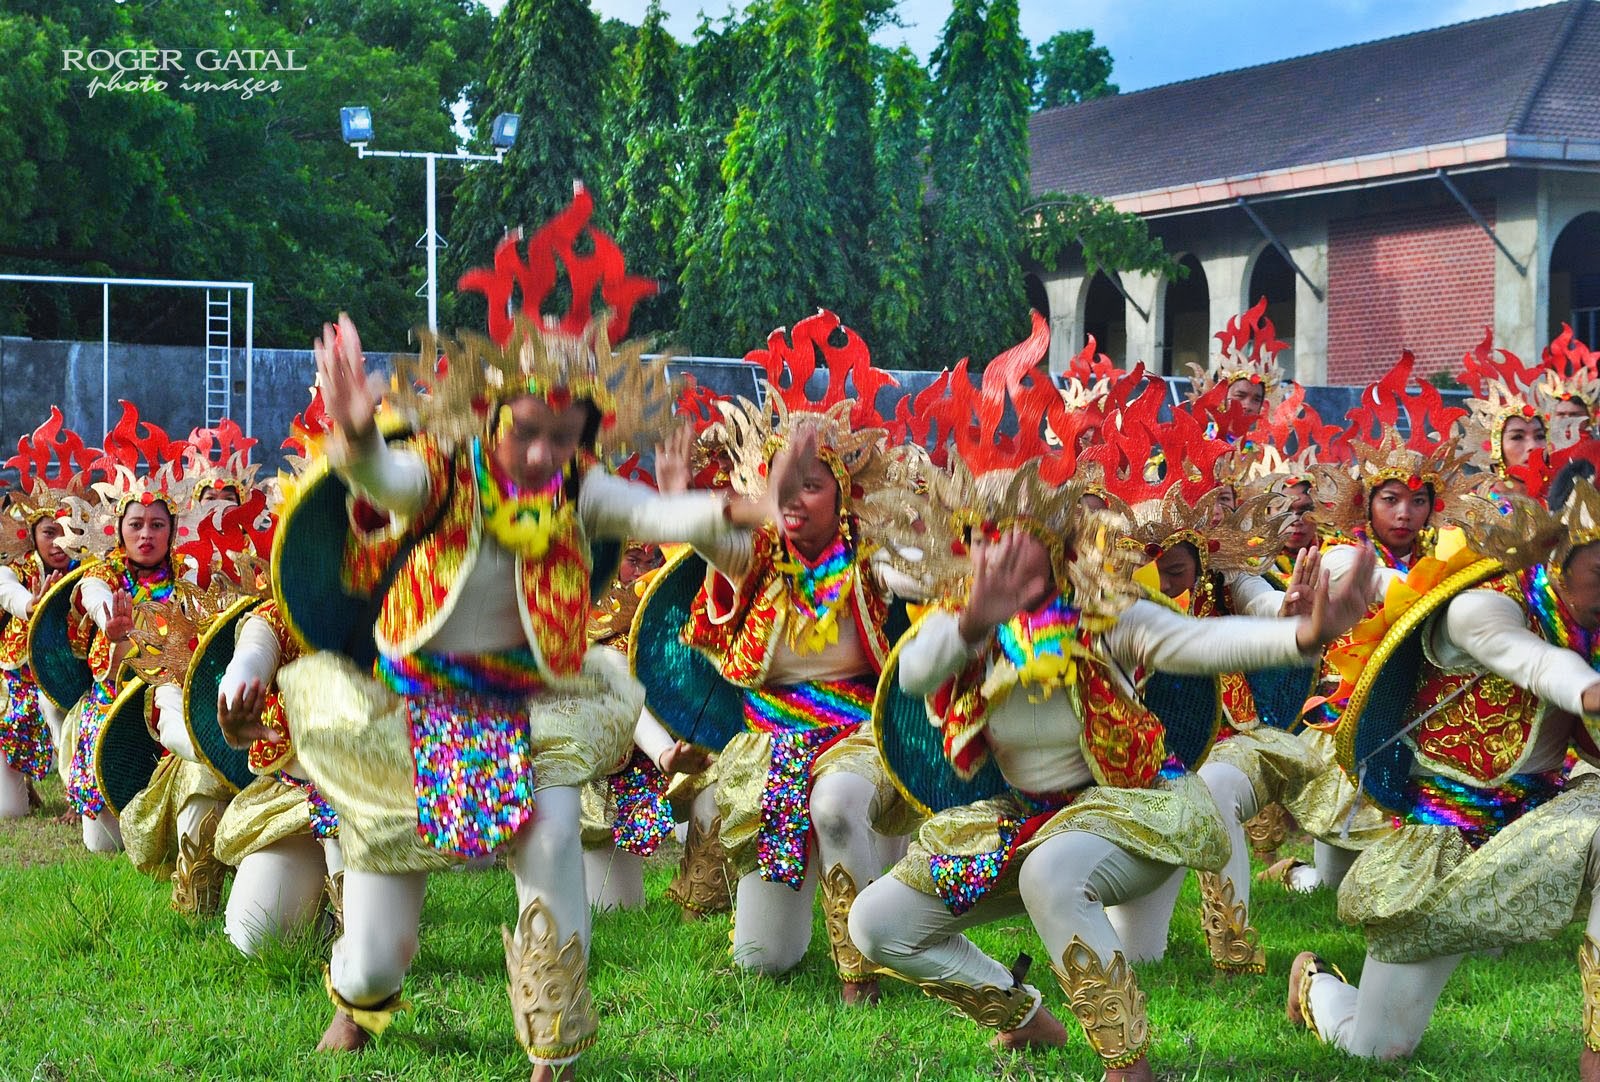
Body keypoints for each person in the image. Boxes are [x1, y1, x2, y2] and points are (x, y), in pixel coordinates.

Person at [279, 189, 793, 1081]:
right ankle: (357, 1005)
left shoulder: (579, 493)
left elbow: (655, 508)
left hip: (528, 708)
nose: (546, 454)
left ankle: (551, 1039)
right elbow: (382, 479)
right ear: (488, 417)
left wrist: (745, 506)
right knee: (380, 953)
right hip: (411, 714)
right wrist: (355, 429)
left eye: (567, 437)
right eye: (529, 433)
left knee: (553, 840)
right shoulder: (443, 474)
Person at [846, 316, 1374, 1082]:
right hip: (1021, 823)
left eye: (1015, 535)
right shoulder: (957, 627)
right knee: (879, 924)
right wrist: (973, 620)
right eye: (981, 536)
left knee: (1050, 876)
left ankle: (1129, 1065)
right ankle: (1023, 1017)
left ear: (1056, 543)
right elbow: (920, 671)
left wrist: (1300, 636)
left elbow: (1193, 644)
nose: (996, 551)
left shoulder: (1105, 615)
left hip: (1134, 812)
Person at [636, 309, 923, 1005]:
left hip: (857, 737)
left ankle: (864, 971)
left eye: (813, 487)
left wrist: (933, 559)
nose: (794, 502)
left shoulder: (870, 554)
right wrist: (679, 504)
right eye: (783, 487)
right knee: (762, 959)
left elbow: (924, 581)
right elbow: (708, 536)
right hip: (770, 749)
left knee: (834, 808)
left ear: (844, 494)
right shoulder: (755, 554)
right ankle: (861, 904)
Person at [1287, 480, 1600, 1077]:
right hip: (1444, 839)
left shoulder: (1590, 621)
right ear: (1558, 554)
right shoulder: (1482, 605)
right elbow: (1533, 662)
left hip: (1538, 822)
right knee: (1377, 1049)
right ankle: (1317, 989)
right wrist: (1588, 689)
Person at [0, 409, 90, 817]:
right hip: (12, 691)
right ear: (32, 535)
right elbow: (9, 593)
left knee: (59, 709)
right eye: (48, 532)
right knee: (10, 812)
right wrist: (30, 604)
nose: (58, 541)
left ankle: (78, 795)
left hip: (62, 684)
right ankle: (22, 784)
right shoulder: (13, 571)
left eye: (66, 530)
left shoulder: (89, 574)